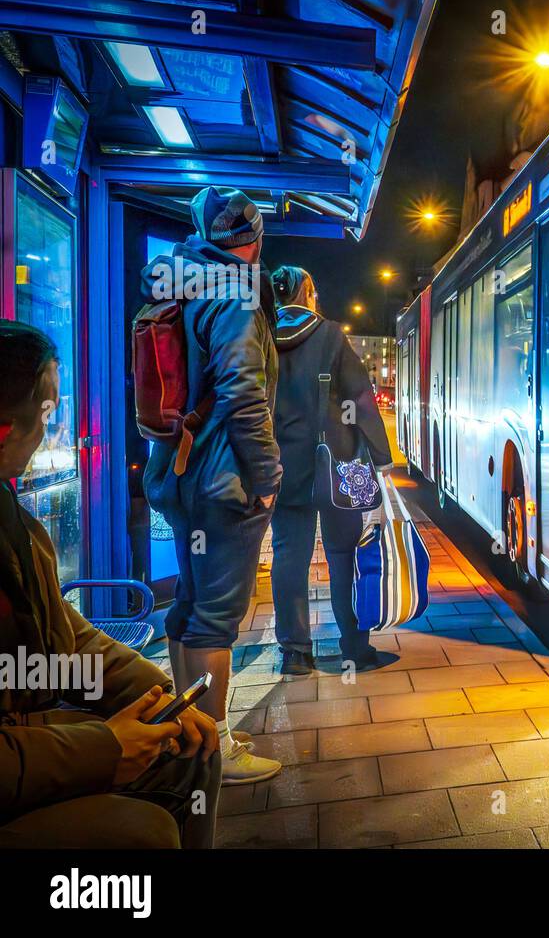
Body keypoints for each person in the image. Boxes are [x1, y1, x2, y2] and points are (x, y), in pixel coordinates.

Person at [0, 321, 220, 847]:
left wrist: (162, 695)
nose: (54, 435)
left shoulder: (14, 518)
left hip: (31, 739)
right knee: (140, 834)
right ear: (5, 424)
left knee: (192, 750)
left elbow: (66, 638)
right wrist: (105, 748)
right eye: (50, 413)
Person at [142, 186, 282, 785]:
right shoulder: (237, 296)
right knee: (218, 619)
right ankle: (214, 749)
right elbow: (243, 393)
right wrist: (269, 476)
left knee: (190, 606)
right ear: (252, 243)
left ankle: (188, 728)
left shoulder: (177, 283)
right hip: (223, 482)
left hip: (177, 473)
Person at [269, 266, 394, 675]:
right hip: (335, 465)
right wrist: (380, 456)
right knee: (344, 555)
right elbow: (359, 398)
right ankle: (355, 646)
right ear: (308, 294)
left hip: (282, 466)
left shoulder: (261, 336)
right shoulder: (330, 335)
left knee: (290, 555)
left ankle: (295, 652)